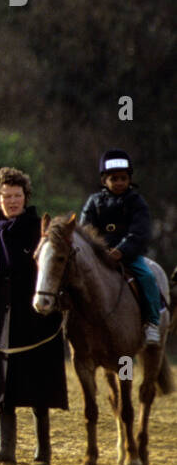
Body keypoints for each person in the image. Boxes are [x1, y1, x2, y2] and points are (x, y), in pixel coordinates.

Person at [0, 167, 67, 465]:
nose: (12, 201)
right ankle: (5, 451)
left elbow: (56, 271)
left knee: (38, 386)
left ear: (26, 197)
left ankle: (42, 453)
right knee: (0, 386)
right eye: (6, 196)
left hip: (35, 317)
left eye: (17, 196)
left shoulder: (40, 230)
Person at [79, 149, 165, 348]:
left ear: (129, 179)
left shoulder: (136, 202)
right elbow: (86, 230)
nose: (119, 182)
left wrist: (121, 251)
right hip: (100, 256)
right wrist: (100, 251)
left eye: (123, 178)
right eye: (113, 178)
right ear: (104, 181)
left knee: (147, 277)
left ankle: (152, 322)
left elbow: (140, 232)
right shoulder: (94, 202)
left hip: (129, 255)